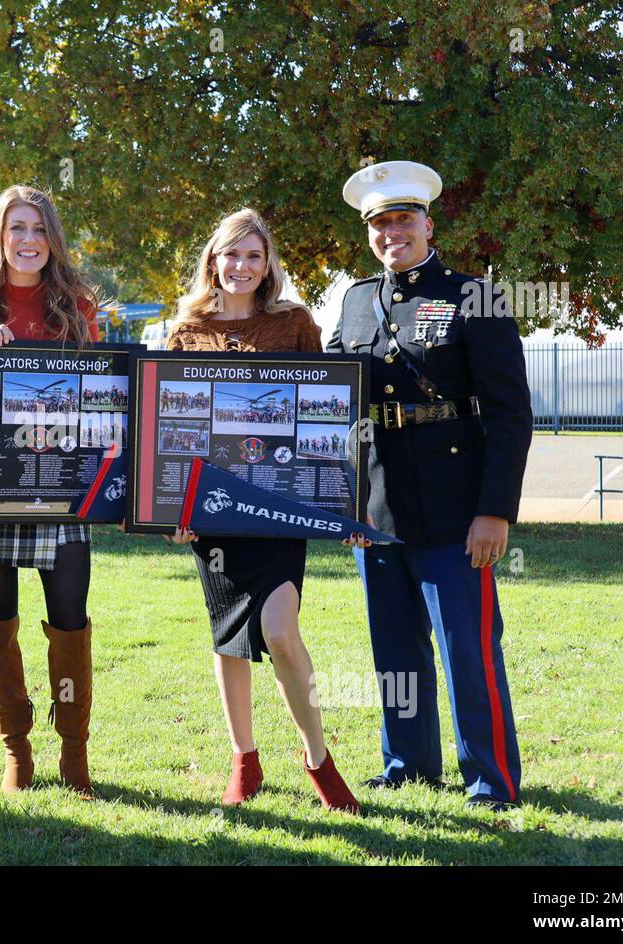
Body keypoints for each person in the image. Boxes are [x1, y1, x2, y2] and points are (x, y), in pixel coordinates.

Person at [329, 161, 532, 807]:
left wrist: (494, 512)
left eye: (404, 220)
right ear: (370, 233)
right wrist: (346, 504)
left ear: (428, 223)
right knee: (395, 651)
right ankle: (408, 766)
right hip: (381, 501)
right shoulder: (358, 299)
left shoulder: (475, 295)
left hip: (456, 502)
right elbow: (333, 397)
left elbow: (509, 415)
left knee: (467, 653)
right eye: (381, 223)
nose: (393, 233)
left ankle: (491, 780)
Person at [164, 208, 362, 812]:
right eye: (232, 255)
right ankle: (243, 761)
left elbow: (322, 412)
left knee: (279, 631)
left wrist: (339, 500)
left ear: (268, 262)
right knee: (228, 639)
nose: (242, 267)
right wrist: (170, 505)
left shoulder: (295, 323)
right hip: (213, 510)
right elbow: (172, 426)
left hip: (278, 505)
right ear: (213, 261)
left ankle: (318, 759)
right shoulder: (185, 329)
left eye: (254, 256)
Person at [0, 185, 101, 795]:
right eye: (16, 228)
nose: (28, 240)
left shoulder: (77, 306)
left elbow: (103, 398)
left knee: (68, 617)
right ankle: (17, 751)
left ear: (52, 238)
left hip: (61, 487)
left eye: (38, 228)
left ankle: (74, 750)